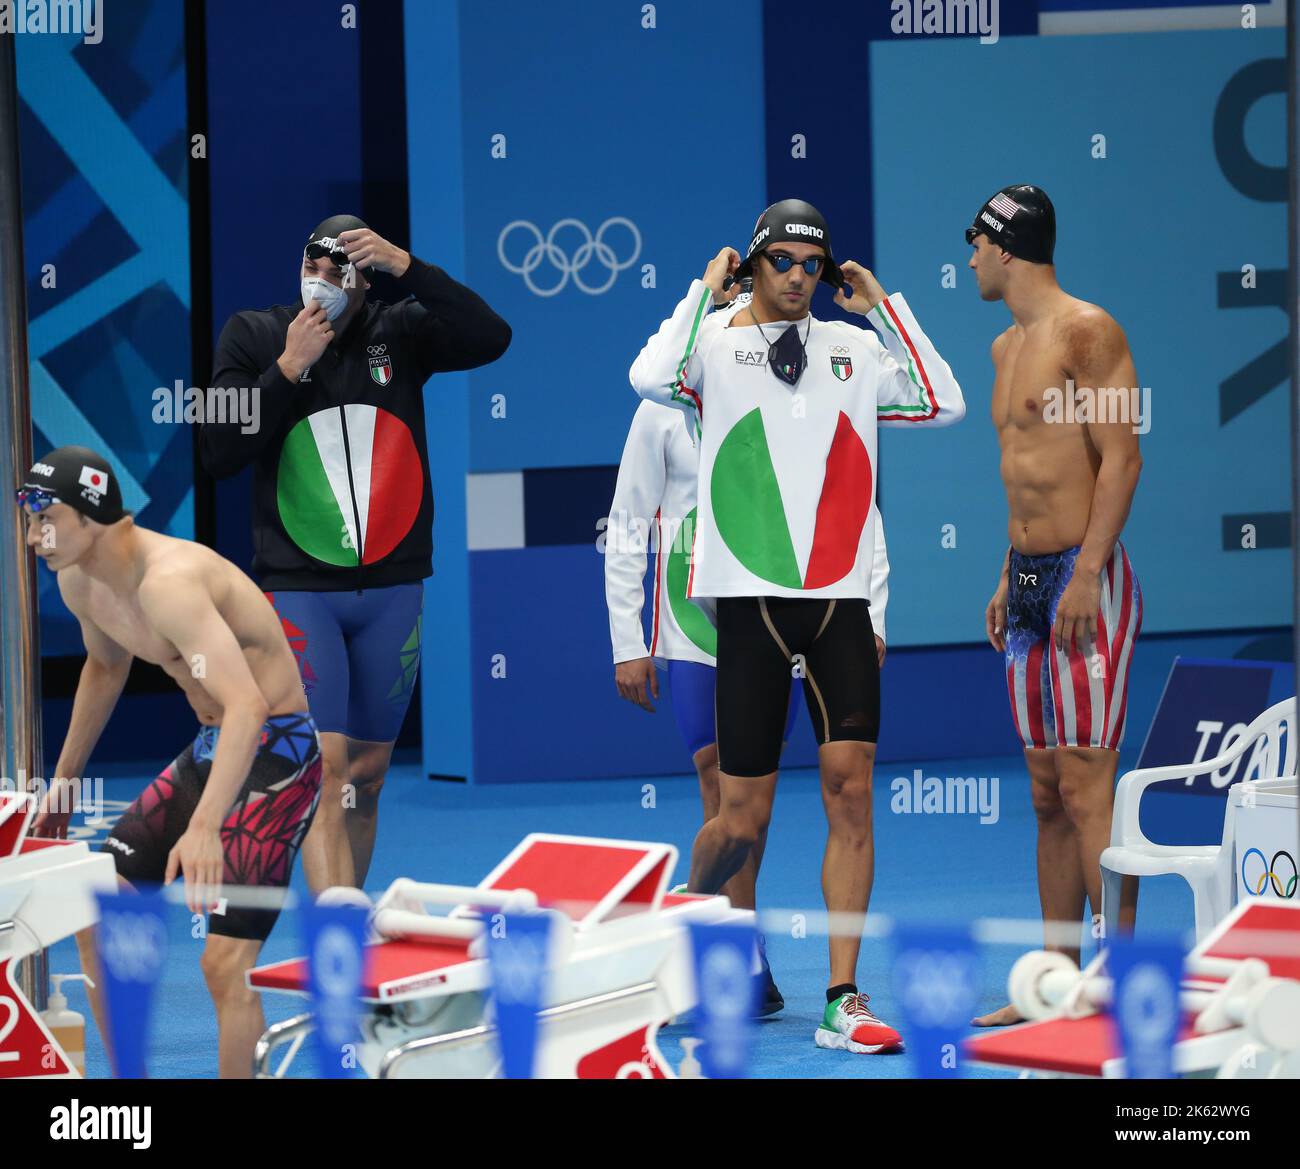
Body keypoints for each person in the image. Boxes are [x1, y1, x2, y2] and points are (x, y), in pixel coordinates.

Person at [629, 200, 964, 1054]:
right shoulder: (713, 346)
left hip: (839, 607)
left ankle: (842, 997)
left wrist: (884, 307)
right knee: (739, 821)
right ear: (753, 264)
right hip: (748, 608)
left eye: (812, 264)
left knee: (851, 793)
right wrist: (702, 295)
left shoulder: (855, 348)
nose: (798, 277)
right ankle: (672, 938)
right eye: (780, 260)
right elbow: (649, 377)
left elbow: (941, 401)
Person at [201, 215, 511, 892]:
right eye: (314, 262)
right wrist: (287, 368)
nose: (324, 278)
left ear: (367, 279)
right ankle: (338, 946)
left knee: (365, 779)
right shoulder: (254, 334)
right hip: (299, 590)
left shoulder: (399, 331)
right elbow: (217, 450)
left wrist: (411, 265)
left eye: (342, 267)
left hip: (393, 592)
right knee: (324, 769)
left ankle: (346, 914)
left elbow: (493, 336)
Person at [606, 333, 895, 1018]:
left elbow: (854, 501)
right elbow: (626, 522)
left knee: (754, 805)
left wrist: (871, 608)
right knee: (720, 785)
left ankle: (728, 938)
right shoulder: (662, 407)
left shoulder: (801, 393)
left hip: (791, 611)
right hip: (695, 624)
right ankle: (738, 953)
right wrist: (627, 636)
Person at [23, 446, 322, 1078]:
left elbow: (247, 708)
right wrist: (63, 783)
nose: (31, 538)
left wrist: (207, 824)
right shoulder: (80, 580)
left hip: (278, 757)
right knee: (98, 906)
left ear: (92, 516)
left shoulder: (170, 583)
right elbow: (106, 666)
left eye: (45, 518)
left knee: (222, 966)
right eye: (27, 517)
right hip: (214, 749)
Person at [965, 185, 1143, 1027]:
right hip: (1031, 583)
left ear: (1006, 248)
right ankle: (1057, 981)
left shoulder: (1088, 330)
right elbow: (1026, 476)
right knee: (1043, 790)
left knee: (1086, 782)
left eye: (975, 244)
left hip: (1086, 581)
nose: (968, 261)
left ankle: (1115, 977)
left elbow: (1121, 458)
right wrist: (1012, 572)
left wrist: (1087, 570)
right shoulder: (1005, 348)